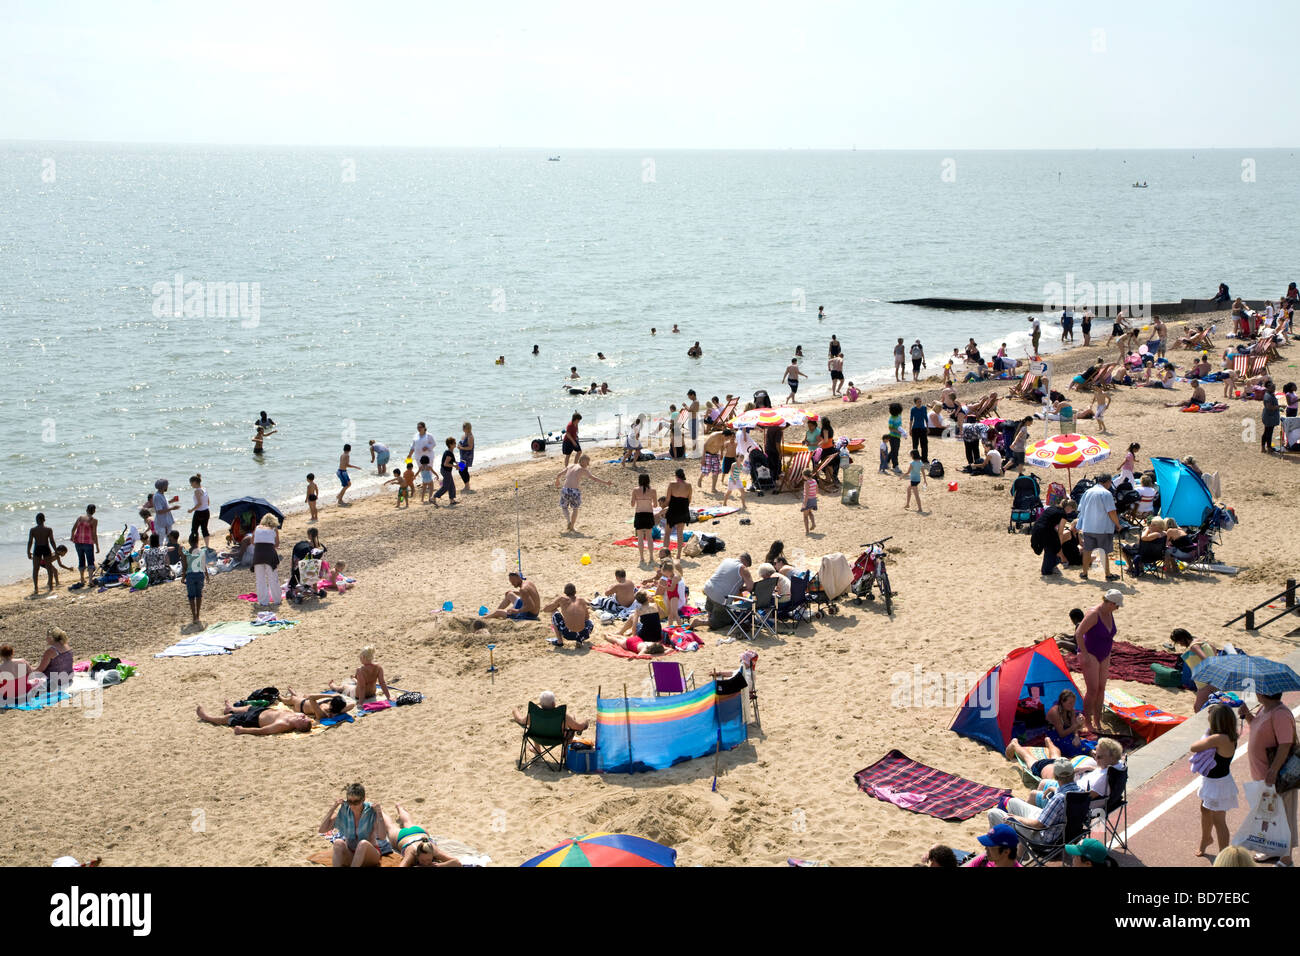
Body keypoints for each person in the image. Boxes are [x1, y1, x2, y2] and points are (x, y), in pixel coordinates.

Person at [1239, 692, 1298, 865]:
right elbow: (1258, 728)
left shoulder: (1280, 714)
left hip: (1278, 778)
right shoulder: (1264, 709)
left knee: (1284, 817)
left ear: (1263, 693)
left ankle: (1286, 859)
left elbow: (1285, 744)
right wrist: (1247, 715)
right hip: (1263, 776)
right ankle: (1272, 850)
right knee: (1268, 815)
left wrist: (1274, 769)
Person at [988, 759, 1081, 844]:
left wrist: (1017, 818)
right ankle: (1016, 843)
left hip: (1042, 836)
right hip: (1062, 831)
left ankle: (995, 846)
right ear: (1073, 774)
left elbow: (1038, 825)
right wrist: (1055, 789)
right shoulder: (1081, 792)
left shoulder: (1058, 799)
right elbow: (1065, 794)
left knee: (993, 813)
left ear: (1056, 777)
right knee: (1012, 802)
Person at [1190, 703, 1240, 857]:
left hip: (1218, 785)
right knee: (1204, 809)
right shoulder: (1230, 735)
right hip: (1213, 781)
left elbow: (1194, 747)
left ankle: (1224, 856)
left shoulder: (1218, 738)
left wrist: (1208, 732)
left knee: (1219, 821)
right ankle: (1206, 839)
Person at [1075, 591, 1122, 735]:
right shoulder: (1094, 614)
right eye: (1117, 606)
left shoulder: (1109, 613)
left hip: (1105, 653)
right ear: (1111, 603)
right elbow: (1079, 633)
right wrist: (1084, 654)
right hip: (1090, 653)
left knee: (1101, 688)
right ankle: (1087, 722)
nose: (1117, 609)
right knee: (1093, 689)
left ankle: (1097, 719)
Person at [320, 784, 390, 867]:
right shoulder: (345, 812)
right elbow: (322, 830)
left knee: (363, 844)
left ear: (363, 799)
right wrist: (333, 808)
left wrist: (379, 813)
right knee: (338, 842)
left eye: (356, 802)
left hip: (369, 855)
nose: (352, 806)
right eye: (350, 802)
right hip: (351, 853)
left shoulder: (371, 812)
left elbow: (382, 837)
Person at [381, 804, 463, 867]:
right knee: (390, 826)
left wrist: (439, 865)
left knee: (407, 822)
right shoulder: (411, 853)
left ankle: (399, 807)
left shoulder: (434, 850)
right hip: (403, 836)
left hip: (419, 832)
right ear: (417, 855)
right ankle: (380, 810)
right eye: (423, 860)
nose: (426, 863)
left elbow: (457, 862)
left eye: (429, 860)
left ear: (432, 855)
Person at [1077, 473, 1120, 581]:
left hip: (1088, 526)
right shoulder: (1106, 493)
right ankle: (1108, 574)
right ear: (1108, 482)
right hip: (1102, 527)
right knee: (1104, 552)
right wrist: (1117, 524)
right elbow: (1111, 512)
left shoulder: (1088, 492)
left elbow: (1080, 508)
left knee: (1087, 550)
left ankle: (1084, 573)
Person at [555, 454, 611, 533]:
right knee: (575, 509)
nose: (588, 464)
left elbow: (559, 474)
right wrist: (606, 483)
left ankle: (568, 521)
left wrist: (557, 481)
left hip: (565, 490)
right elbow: (594, 478)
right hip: (574, 491)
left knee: (564, 507)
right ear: (583, 461)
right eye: (587, 462)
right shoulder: (583, 469)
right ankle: (572, 526)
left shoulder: (571, 465)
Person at [197, 701, 313, 736]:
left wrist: (243, 730)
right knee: (247, 707)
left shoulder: (283, 724)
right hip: (263, 711)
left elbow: (263, 731)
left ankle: (207, 717)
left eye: (304, 720)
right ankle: (230, 708)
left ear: (298, 726)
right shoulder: (298, 715)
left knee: (228, 718)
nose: (304, 717)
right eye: (305, 717)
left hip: (253, 720)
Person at [702, 553, 753, 629]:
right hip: (721, 598)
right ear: (746, 563)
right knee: (723, 621)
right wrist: (740, 589)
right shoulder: (743, 569)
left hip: (708, 589)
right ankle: (699, 622)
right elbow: (750, 587)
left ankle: (709, 615)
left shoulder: (727, 560)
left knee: (713, 607)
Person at [250, 514, 281, 606]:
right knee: (273, 578)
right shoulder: (274, 529)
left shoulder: (257, 528)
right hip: (269, 555)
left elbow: (252, 542)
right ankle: (277, 600)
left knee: (260, 579)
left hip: (258, 555)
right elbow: (277, 544)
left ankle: (263, 602)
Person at [67, 504, 100, 588]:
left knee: (81, 560)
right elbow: (94, 534)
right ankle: (90, 580)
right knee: (90, 561)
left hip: (78, 542)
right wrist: (97, 546)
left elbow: (73, 529)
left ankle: (82, 579)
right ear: (94, 511)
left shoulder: (80, 518)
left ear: (86, 510)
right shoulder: (94, 520)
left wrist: (72, 538)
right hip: (88, 543)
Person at [25, 513, 57, 595]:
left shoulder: (33, 530)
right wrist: (56, 550)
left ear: (37, 520)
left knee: (35, 569)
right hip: (46, 548)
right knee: (49, 568)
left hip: (37, 549)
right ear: (44, 520)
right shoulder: (48, 529)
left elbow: (30, 542)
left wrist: (28, 552)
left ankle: (36, 588)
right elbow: (52, 541)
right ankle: (50, 586)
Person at [663, 468, 693, 555]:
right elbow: (689, 499)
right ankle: (679, 554)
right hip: (683, 510)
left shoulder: (672, 484)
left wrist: (664, 506)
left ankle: (665, 554)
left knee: (667, 533)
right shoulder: (689, 485)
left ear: (676, 476)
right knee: (680, 533)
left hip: (673, 509)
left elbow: (668, 499)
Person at [35, 627, 73, 693]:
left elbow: (40, 669)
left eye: (47, 637)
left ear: (51, 638)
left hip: (54, 683)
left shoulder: (51, 651)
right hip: (68, 679)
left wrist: (29, 670)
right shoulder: (66, 646)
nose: (46, 639)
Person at [182, 532, 209, 626]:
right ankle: (198, 615)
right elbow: (203, 565)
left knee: (191, 597)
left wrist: (183, 577)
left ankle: (194, 616)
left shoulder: (186, 553)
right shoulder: (201, 551)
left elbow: (185, 567)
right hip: (200, 575)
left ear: (189, 542)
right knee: (199, 595)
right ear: (197, 541)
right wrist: (207, 575)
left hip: (190, 576)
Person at [632, 473, 657, 565]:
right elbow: (655, 505)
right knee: (649, 536)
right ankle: (651, 557)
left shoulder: (635, 490)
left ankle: (642, 558)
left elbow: (632, 504)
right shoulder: (653, 491)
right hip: (648, 514)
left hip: (639, 514)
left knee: (640, 537)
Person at [280, 689, 351, 720]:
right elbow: (352, 705)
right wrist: (340, 710)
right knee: (304, 695)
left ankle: (279, 696)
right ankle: (295, 694)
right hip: (307, 701)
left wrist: (330, 695)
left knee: (289, 699)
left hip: (300, 705)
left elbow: (312, 697)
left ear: (332, 705)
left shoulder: (322, 713)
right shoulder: (337, 711)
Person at [150, 478, 180, 548]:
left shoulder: (161, 494)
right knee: (160, 541)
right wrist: (172, 508)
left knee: (168, 539)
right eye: (166, 485)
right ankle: (161, 553)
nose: (167, 487)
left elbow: (163, 505)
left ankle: (168, 552)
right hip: (161, 523)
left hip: (166, 521)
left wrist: (172, 501)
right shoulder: (157, 496)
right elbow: (159, 511)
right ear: (163, 487)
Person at [184, 475, 211, 548]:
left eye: (191, 483)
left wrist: (191, 510)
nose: (191, 485)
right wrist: (205, 507)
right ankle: (207, 546)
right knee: (204, 529)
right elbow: (208, 501)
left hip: (199, 513)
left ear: (195, 482)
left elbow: (199, 503)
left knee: (194, 530)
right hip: (206, 511)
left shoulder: (197, 491)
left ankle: (195, 546)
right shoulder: (204, 489)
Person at [433, 437, 459, 505]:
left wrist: (457, 463)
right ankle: (433, 497)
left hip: (446, 470)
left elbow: (452, 460)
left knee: (451, 485)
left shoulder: (449, 452)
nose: (455, 444)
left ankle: (452, 500)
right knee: (445, 486)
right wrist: (455, 466)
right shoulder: (449, 453)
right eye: (454, 443)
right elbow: (446, 464)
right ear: (450, 444)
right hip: (445, 471)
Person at [1262, 379, 1280, 453]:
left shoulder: (1271, 394)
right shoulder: (1267, 396)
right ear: (1268, 388)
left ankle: (1268, 447)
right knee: (1267, 432)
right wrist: (1278, 407)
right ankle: (1264, 448)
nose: (1274, 389)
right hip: (1269, 417)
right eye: (1272, 387)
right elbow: (1269, 407)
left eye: (1274, 387)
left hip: (1271, 416)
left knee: (1269, 432)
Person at [908, 396, 929, 462]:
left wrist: (927, 427)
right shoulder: (913, 409)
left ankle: (924, 458)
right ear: (915, 403)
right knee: (915, 444)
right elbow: (911, 420)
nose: (920, 403)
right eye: (918, 402)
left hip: (923, 428)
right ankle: (916, 458)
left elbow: (926, 418)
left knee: (924, 444)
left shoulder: (924, 408)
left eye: (920, 401)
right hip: (915, 428)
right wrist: (910, 429)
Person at [886, 403, 903, 473]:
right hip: (893, 437)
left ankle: (886, 461)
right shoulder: (891, 419)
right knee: (895, 452)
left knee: (893, 450)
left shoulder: (899, 416)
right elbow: (890, 428)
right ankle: (895, 466)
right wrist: (898, 431)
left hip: (898, 436)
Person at [457, 422, 475, 490]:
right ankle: (467, 485)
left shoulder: (470, 437)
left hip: (467, 456)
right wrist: (459, 445)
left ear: (467, 428)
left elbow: (470, 447)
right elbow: (460, 442)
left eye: (463, 427)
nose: (462, 429)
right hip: (462, 455)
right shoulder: (464, 435)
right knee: (463, 470)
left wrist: (461, 448)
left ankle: (467, 485)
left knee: (461, 470)